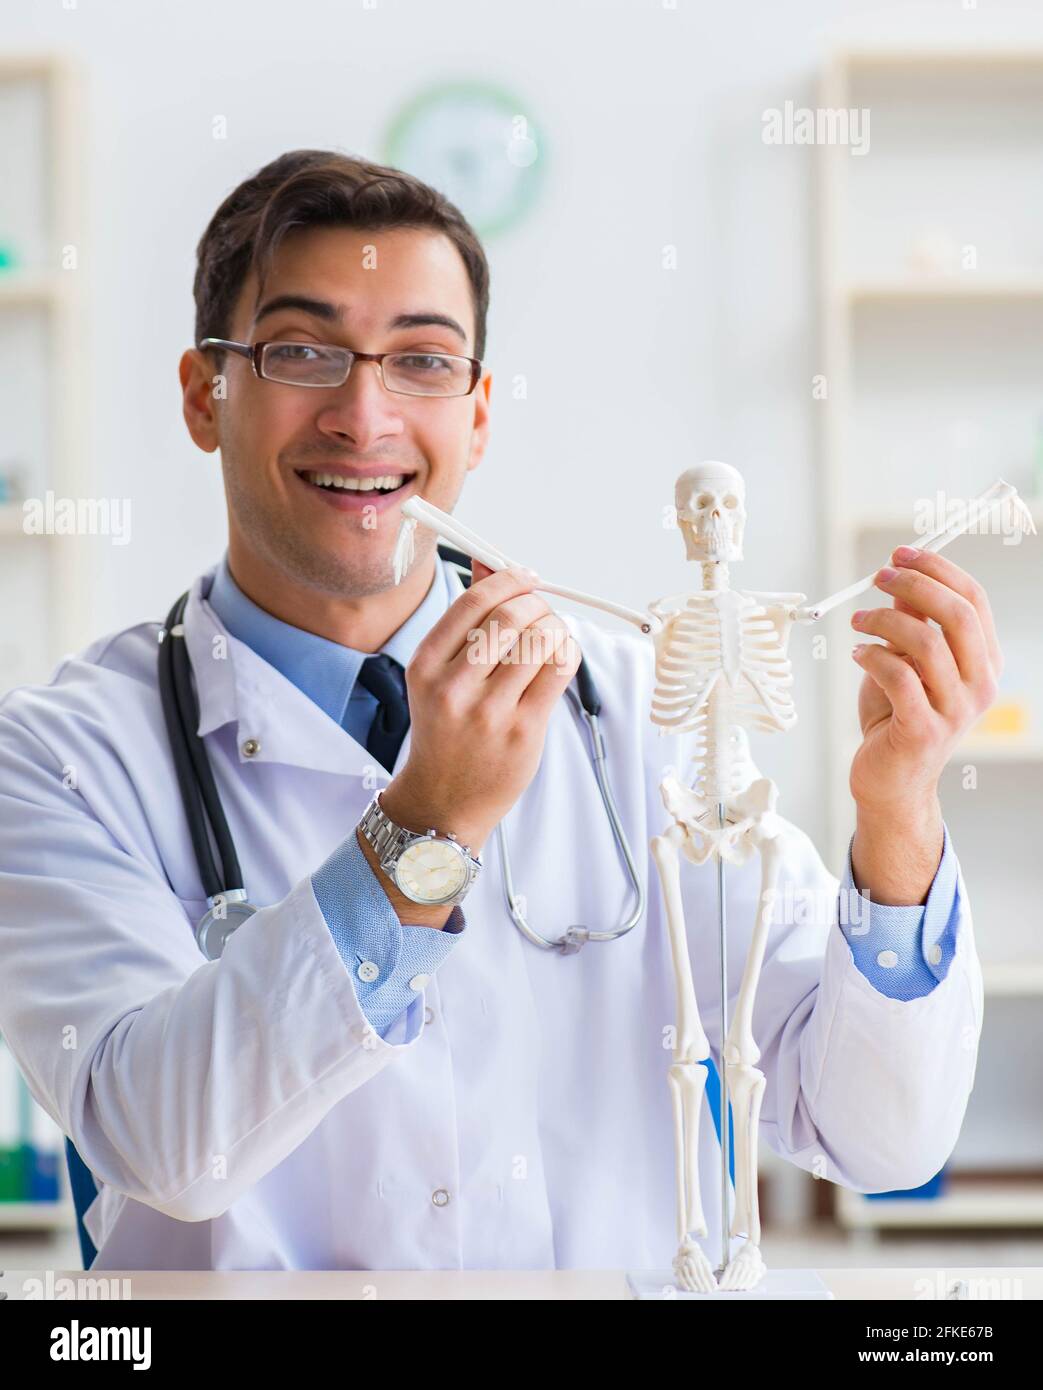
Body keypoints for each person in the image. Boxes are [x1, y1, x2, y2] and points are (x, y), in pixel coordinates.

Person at [0, 150, 993, 1272]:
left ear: (475, 416)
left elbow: (876, 1134)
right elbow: (159, 1141)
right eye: (302, 352)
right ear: (203, 393)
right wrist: (424, 829)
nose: (363, 414)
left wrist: (898, 813)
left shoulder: (631, 708)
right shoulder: (58, 757)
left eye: (420, 361)